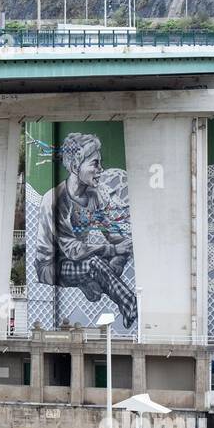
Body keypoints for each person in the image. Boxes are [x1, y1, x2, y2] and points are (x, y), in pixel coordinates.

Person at [32, 132, 137, 329]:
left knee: (110, 258)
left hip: (78, 260)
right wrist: (113, 251)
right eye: (95, 164)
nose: (100, 169)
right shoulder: (56, 200)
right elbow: (73, 250)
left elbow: (112, 233)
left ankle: (94, 283)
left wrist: (119, 254)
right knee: (95, 263)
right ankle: (130, 303)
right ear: (74, 167)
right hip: (52, 266)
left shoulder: (94, 196)